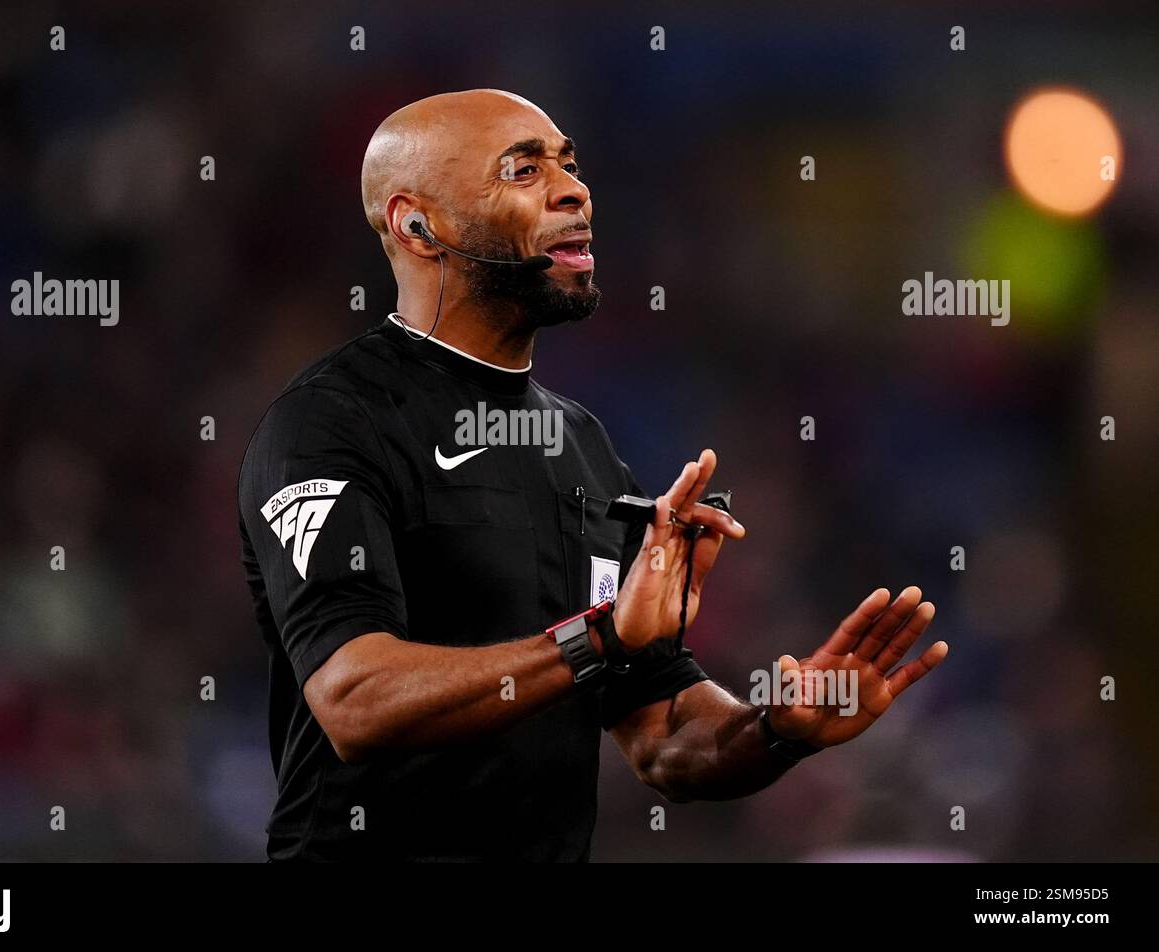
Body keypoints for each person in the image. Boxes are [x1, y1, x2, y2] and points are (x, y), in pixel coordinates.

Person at [237, 88, 948, 861]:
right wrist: (597, 639)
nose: (574, 189)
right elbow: (354, 700)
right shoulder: (330, 421)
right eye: (522, 169)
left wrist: (775, 728)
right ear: (419, 224)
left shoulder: (578, 443)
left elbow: (663, 738)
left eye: (569, 163)